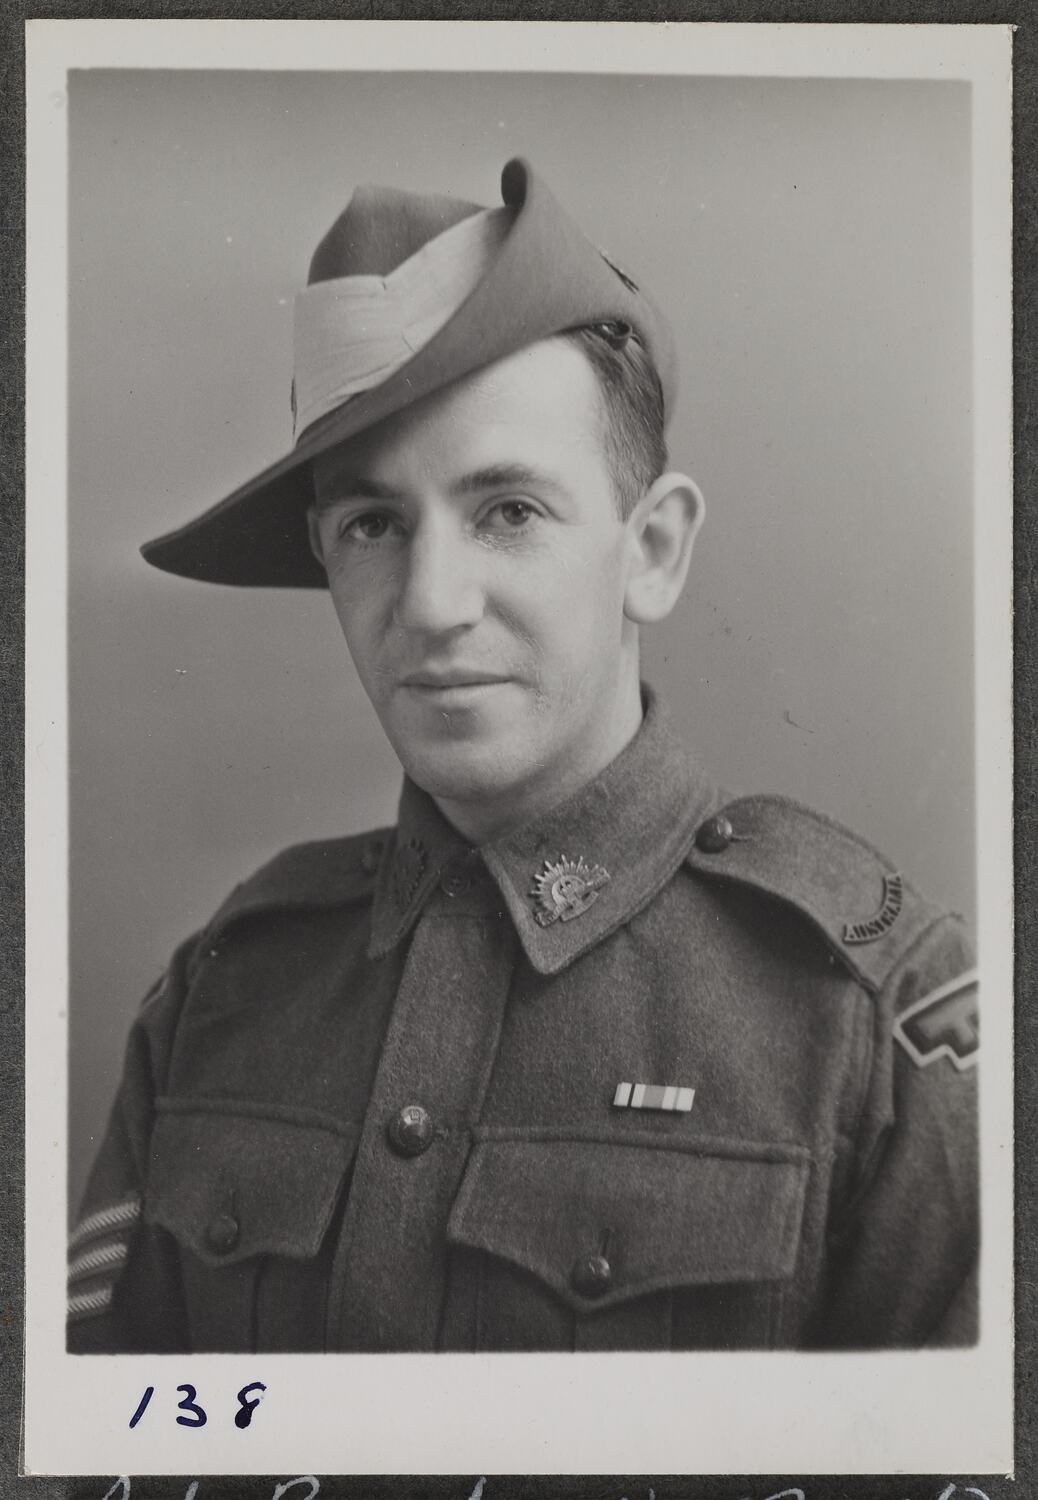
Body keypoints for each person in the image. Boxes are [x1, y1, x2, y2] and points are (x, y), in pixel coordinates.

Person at [67, 157, 978, 1354]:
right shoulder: (225, 994)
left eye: (509, 511)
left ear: (651, 549)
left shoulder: (870, 1009)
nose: (434, 603)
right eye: (373, 524)